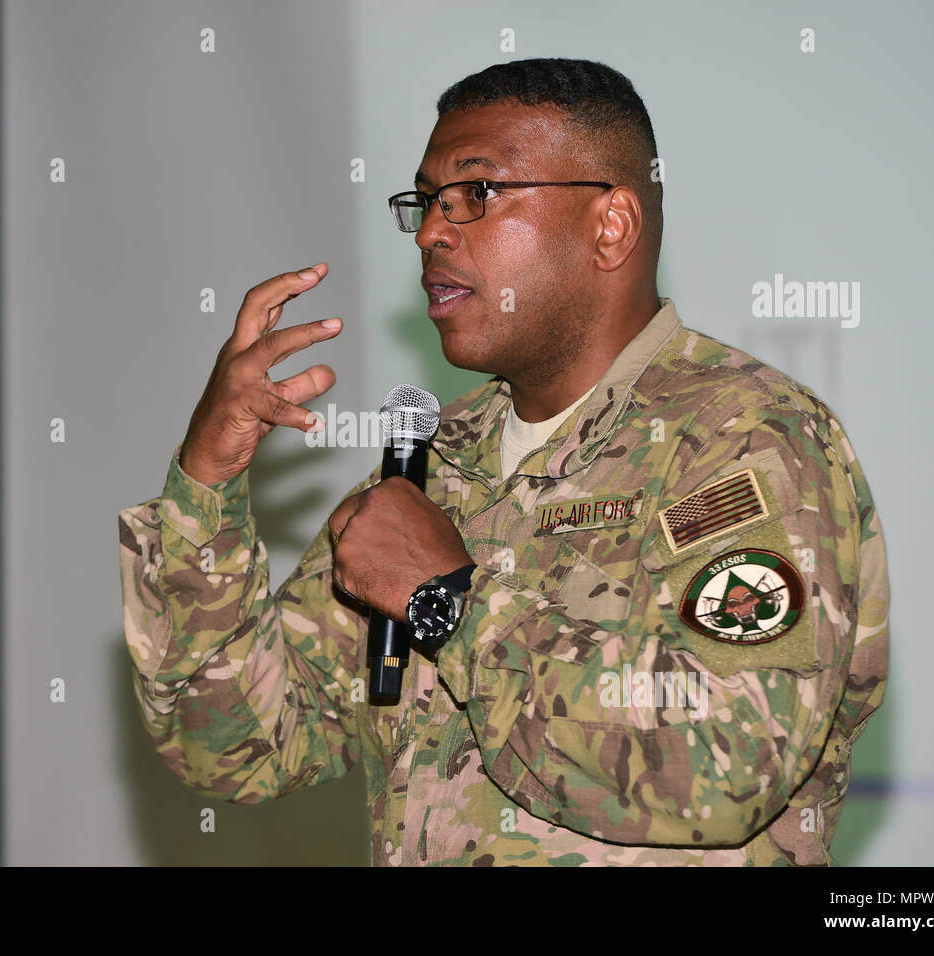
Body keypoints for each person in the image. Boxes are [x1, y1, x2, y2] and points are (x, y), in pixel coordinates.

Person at [118, 57, 889, 865]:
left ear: (610, 226)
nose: (430, 232)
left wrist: (447, 602)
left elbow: (724, 769)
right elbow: (237, 746)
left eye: (477, 195)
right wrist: (205, 484)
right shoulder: (433, 466)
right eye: (425, 201)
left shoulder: (745, 435)